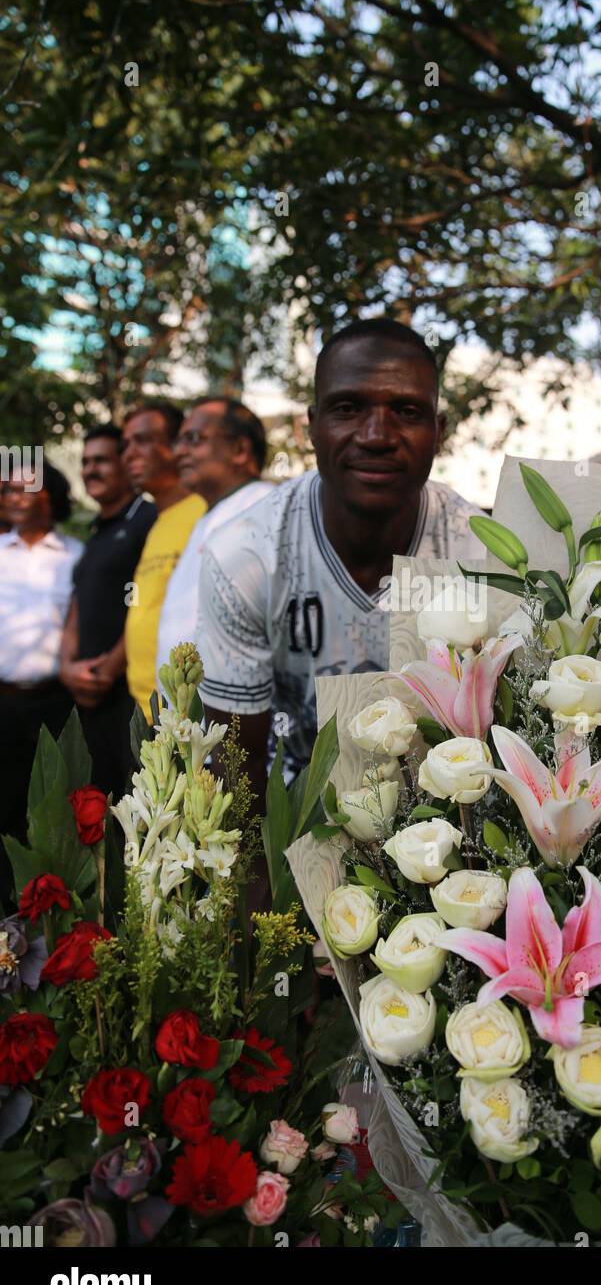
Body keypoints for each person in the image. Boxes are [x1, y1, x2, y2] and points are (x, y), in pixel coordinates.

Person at [197, 318, 487, 889]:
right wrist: (268, 925)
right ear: (311, 426)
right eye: (348, 407)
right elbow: (236, 767)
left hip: (444, 854)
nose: (377, 434)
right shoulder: (246, 557)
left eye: (406, 412)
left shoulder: (479, 553)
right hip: (290, 836)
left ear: (439, 430)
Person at [59, 424, 157, 801]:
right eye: (85, 462)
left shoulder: (147, 519)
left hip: (128, 703)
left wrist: (106, 669)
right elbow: (78, 604)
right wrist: (67, 665)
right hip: (86, 699)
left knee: (129, 816)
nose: (90, 470)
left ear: (127, 463)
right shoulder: (97, 530)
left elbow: (149, 604)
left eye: (101, 460)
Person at [0, 459, 83, 902]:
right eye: (7, 489)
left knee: (53, 811)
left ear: (50, 495)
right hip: (3, 702)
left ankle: (52, 912)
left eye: (24, 488)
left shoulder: (75, 556)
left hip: (55, 704)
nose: (14, 497)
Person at [155, 396, 273, 685]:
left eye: (194, 439)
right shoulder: (211, 514)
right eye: (178, 442)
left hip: (239, 720)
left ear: (240, 450)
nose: (179, 452)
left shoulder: (264, 508)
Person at [122, 402, 206, 715]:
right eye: (126, 444)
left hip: (188, 716)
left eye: (142, 440)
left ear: (177, 446)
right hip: (147, 713)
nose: (129, 454)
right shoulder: (158, 522)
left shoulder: (205, 513)